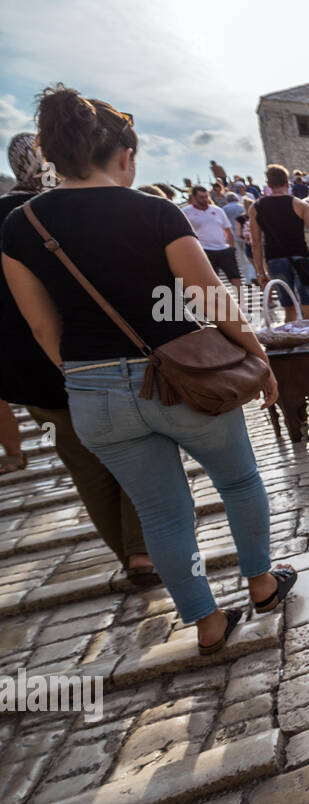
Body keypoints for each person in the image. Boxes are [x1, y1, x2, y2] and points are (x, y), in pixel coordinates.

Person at [2, 86, 297, 654]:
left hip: (92, 391)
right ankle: (261, 584)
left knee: (161, 513)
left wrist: (91, 376)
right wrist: (257, 355)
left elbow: (42, 328)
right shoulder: (155, 211)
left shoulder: (21, 225)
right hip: (178, 381)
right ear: (125, 157)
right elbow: (210, 297)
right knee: (237, 480)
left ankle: (207, 621)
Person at [0, 131, 158, 579]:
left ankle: (129, 557)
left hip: (29, 377)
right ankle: (142, 549)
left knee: (84, 467)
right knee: (136, 448)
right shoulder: (62, 212)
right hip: (92, 360)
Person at [249, 163, 309, 323]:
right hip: (301, 257)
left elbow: (255, 243)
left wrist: (260, 272)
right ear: (287, 183)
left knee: (288, 306)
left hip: (275, 260)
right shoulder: (300, 205)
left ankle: (294, 342)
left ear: (268, 185)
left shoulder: (256, 207)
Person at [182, 185, 242, 286]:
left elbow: (227, 229)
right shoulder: (186, 211)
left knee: (235, 277)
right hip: (204, 249)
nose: (204, 200)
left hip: (223, 248)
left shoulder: (217, 210)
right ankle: (215, 301)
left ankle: (242, 301)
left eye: (206, 197)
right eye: (201, 197)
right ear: (194, 197)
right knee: (211, 280)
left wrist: (232, 248)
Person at [221, 191, 253, 282]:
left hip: (234, 236)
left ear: (227, 200)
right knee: (249, 256)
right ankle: (252, 275)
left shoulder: (224, 209)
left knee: (240, 258)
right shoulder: (241, 206)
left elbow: (224, 224)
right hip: (246, 235)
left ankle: (247, 279)